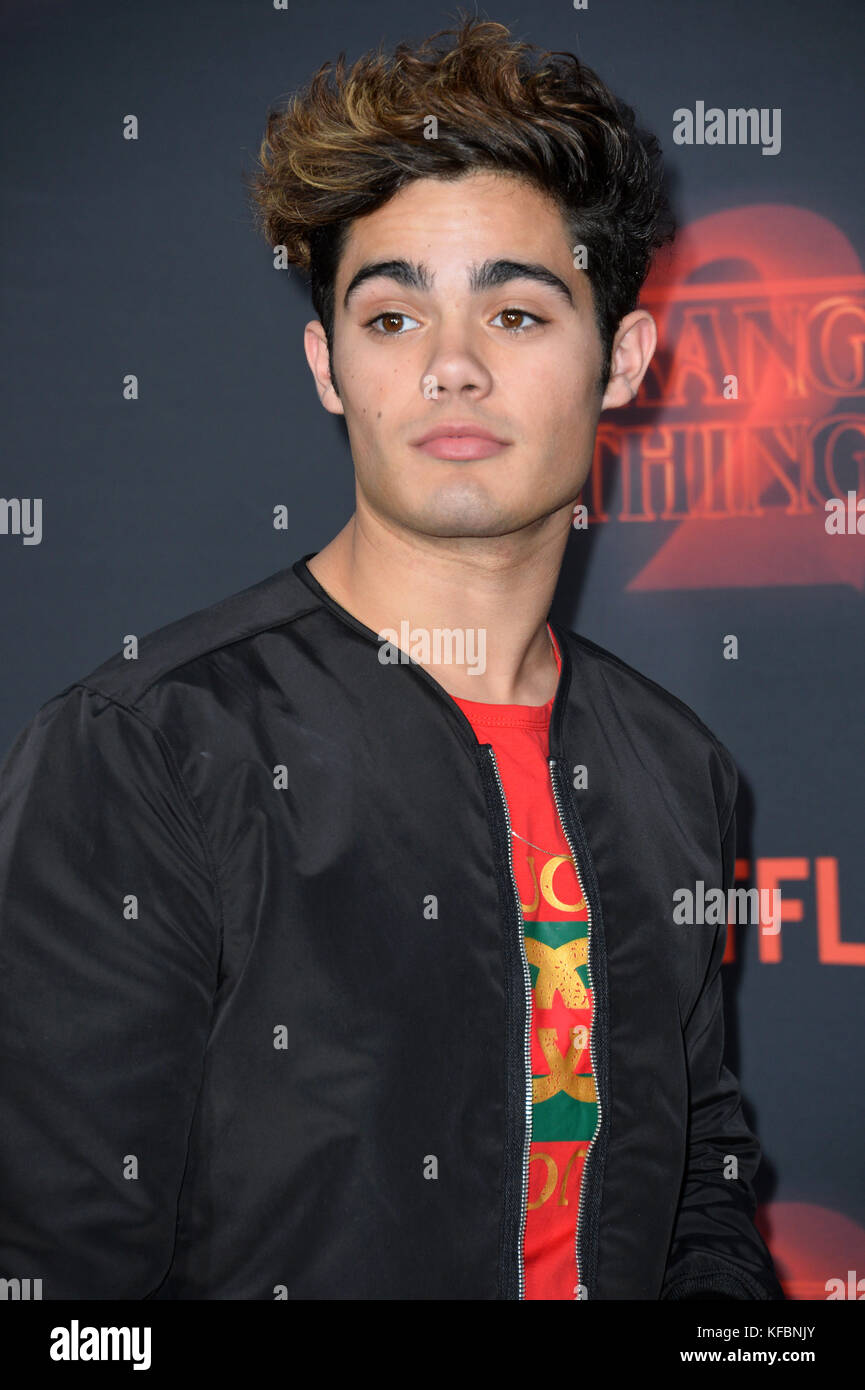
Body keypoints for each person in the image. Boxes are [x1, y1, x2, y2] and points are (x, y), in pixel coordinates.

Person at [0, 17, 784, 1300]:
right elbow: (60, 1294)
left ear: (622, 362)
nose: (452, 369)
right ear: (327, 365)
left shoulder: (674, 768)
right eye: (391, 315)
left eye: (518, 313)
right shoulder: (147, 750)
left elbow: (695, 1187)